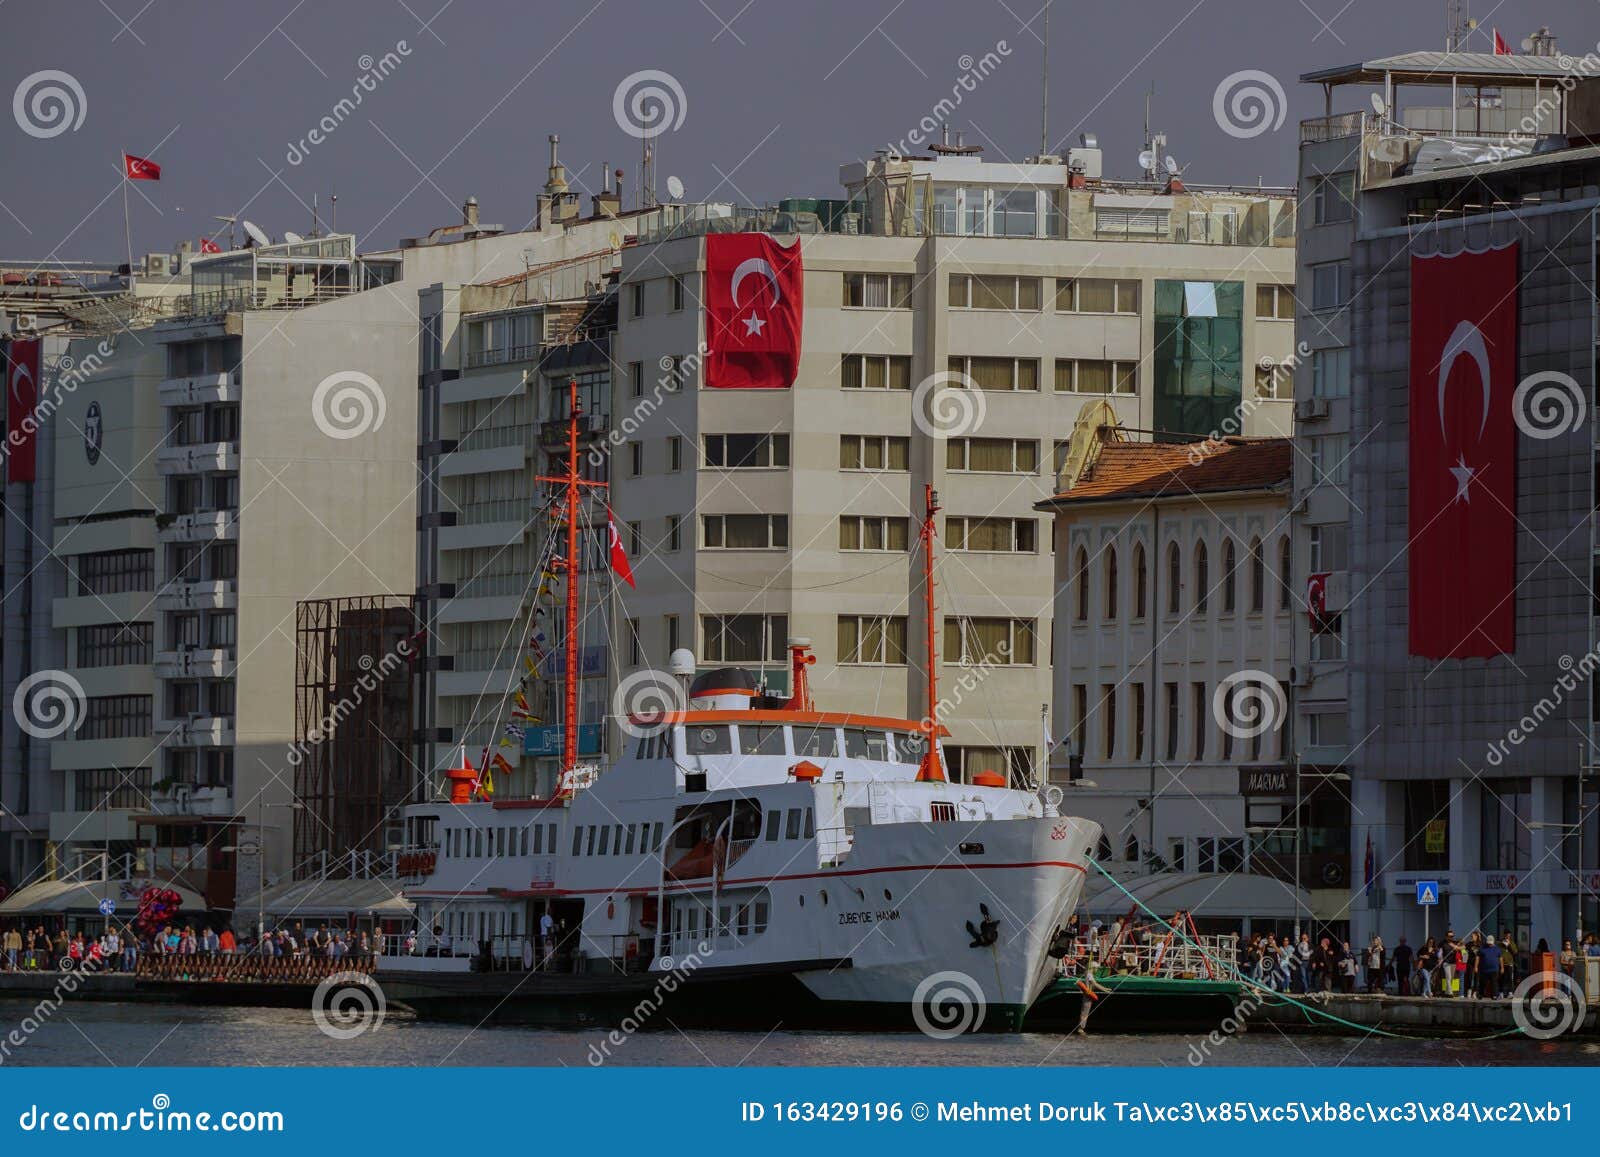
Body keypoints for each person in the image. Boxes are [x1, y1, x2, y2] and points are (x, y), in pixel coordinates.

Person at [1478, 934, 1503, 998]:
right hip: (1484, 969)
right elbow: (1477, 957)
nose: (1489, 944)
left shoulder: (1498, 949)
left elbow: (1500, 958)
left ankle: (1494, 995)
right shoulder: (1482, 948)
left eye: (1490, 943)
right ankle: (1480, 994)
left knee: (1494, 983)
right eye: (1488, 943)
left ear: (1493, 941)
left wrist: (1502, 967)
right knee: (1483, 983)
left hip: (1494, 969)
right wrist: (1476, 967)